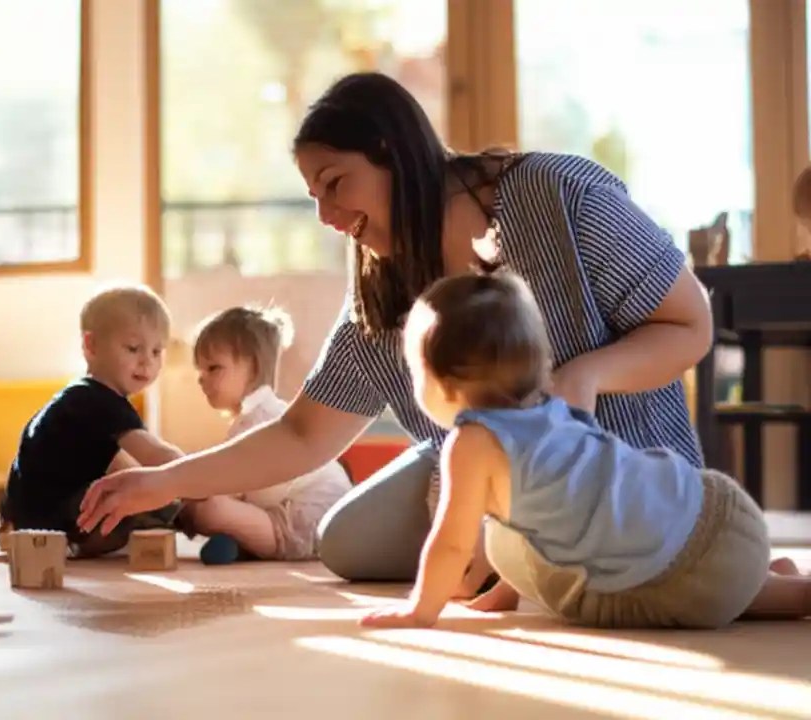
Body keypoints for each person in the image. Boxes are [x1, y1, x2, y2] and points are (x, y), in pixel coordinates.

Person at [78, 71, 714, 589]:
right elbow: (303, 433)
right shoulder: (381, 287)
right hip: (479, 470)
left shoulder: (559, 194)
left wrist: (582, 377)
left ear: (391, 152)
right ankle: (456, 483)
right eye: (315, 197)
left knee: (603, 569)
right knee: (344, 543)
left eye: (335, 185)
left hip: (624, 471)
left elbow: (690, 324)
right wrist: (162, 480)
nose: (327, 216)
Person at [359, 270, 811, 629]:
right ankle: (774, 579)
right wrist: (505, 589)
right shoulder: (553, 412)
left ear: (444, 381)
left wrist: (420, 609)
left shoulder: (472, 441)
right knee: (521, 526)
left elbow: (452, 544)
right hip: (717, 511)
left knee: (500, 534)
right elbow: (562, 511)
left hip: (693, 575)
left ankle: (767, 584)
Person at [0, 283, 183, 558]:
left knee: (143, 486)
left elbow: (123, 467)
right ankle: (218, 525)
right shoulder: (100, 401)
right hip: (57, 522)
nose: (147, 362)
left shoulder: (78, 398)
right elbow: (158, 457)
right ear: (91, 345)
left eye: (157, 352)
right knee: (174, 500)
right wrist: (207, 483)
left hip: (25, 520)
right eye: (133, 348)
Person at [185, 306, 351, 564]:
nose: (201, 379)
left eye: (213, 368)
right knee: (212, 505)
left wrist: (223, 495)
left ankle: (239, 543)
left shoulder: (263, 419)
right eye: (200, 370)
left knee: (209, 510)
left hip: (312, 520)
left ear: (253, 368)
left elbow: (266, 489)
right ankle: (238, 543)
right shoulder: (252, 417)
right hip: (288, 512)